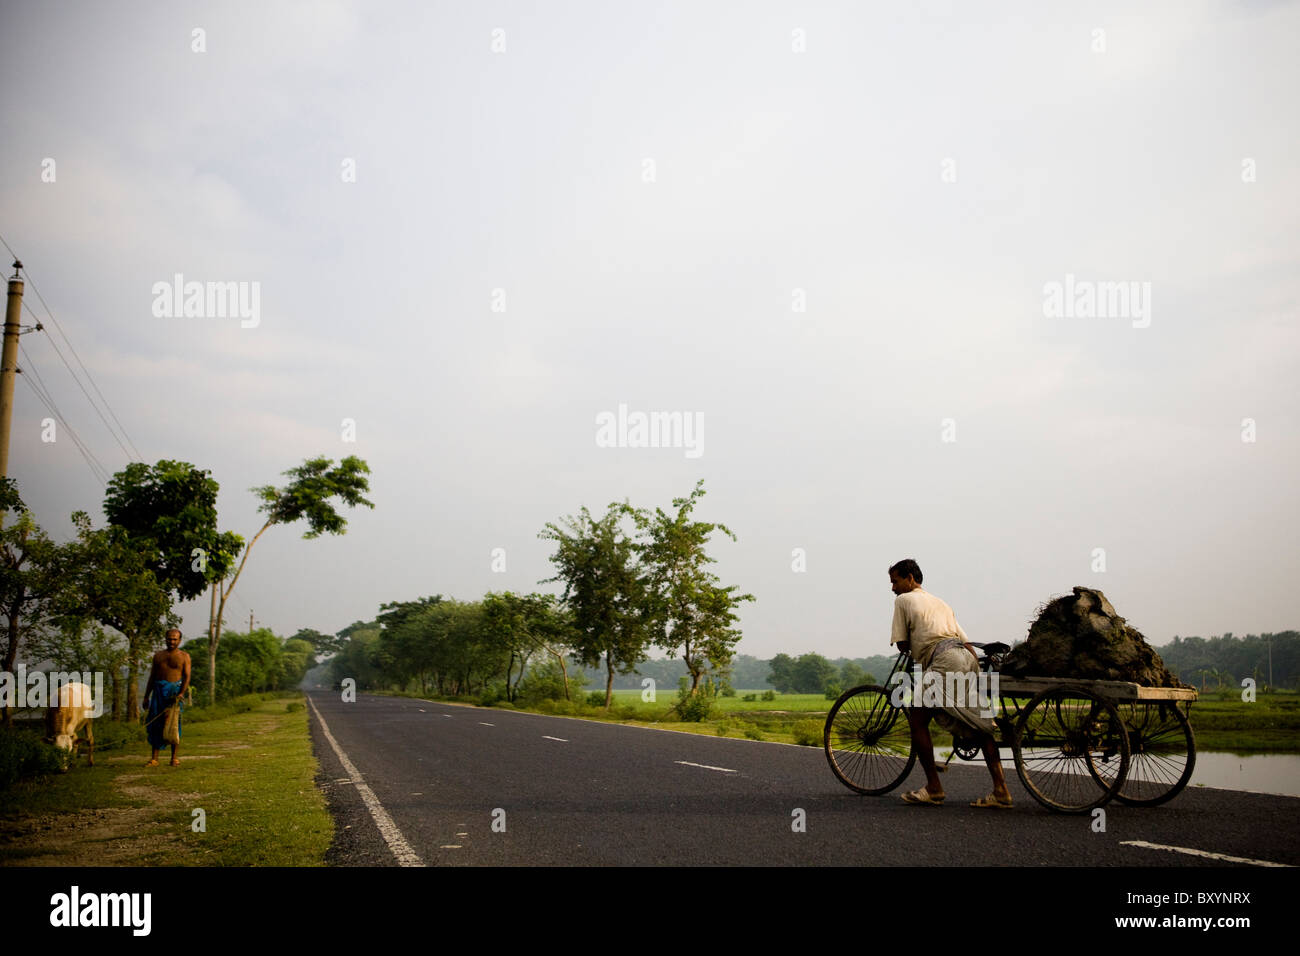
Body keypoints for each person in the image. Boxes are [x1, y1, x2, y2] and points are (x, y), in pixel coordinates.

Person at [887, 559, 1012, 808]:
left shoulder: (903, 600)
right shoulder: (940, 602)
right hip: (965, 658)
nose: (893, 588)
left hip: (945, 660)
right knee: (981, 725)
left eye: (895, 581)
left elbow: (902, 644)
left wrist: (920, 651)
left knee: (918, 719)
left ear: (910, 578)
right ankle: (1001, 791)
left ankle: (934, 788)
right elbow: (966, 642)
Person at [142, 627, 190, 767]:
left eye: (175, 639)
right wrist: (146, 696)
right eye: (169, 639)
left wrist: (181, 693)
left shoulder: (184, 656)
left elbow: (187, 676)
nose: (172, 641)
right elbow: (152, 677)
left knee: (174, 724)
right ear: (165, 639)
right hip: (158, 692)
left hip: (174, 693)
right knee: (155, 724)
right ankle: (154, 758)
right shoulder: (158, 656)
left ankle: (174, 758)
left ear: (180, 640)